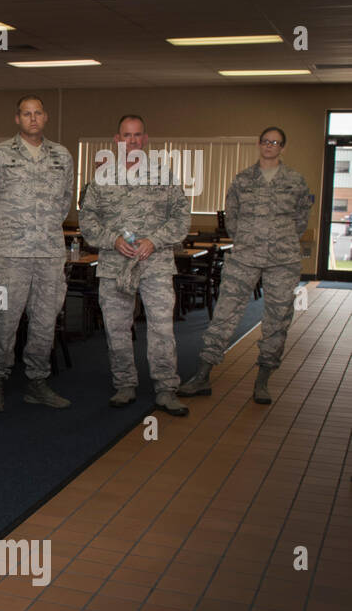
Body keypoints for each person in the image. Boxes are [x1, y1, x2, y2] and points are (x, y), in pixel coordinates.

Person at [179, 126, 311, 404]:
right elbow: (232, 217)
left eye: (275, 142)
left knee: (277, 319)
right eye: (265, 141)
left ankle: (262, 381)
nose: (270, 146)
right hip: (245, 257)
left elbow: (301, 220)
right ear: (258, 144)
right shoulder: (242, 180)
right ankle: (202, 375)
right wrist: (248, 239)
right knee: (224, 314)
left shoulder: (296, 181)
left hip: (282, 260)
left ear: (283, 148)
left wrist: (280, 239)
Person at [79, 115, 190, 415]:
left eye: (138, 135)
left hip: (155, 264)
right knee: (116, 328)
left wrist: (154, 240)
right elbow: (87, 221)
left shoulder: (163, 176)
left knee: (162, 329)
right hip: (115, 265)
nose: (133, 141)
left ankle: (167, 388)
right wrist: (112, 239)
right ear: (117, 140)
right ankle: (124, 384)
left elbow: (181, 217)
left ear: (146, 139)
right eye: (127, 136)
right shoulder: (102, 178)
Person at [0, 95, 75, 411]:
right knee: (4, 320)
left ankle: (37, 381)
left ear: (45, 117)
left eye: (37, 113)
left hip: (49, 256)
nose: (32, 118)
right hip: (9, 257)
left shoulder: (62, 156)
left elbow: (64, 202)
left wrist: (41, 226)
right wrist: (8, 229)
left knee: (45, 322)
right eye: (26, 114)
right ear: (17, 119)